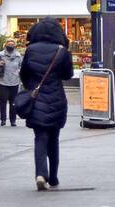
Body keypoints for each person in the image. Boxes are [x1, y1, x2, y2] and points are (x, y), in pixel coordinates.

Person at [20, 18, 74, 191]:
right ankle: (54, 176)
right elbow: (67, 75)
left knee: (40, 138)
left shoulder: (30, 50)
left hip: (36, 100)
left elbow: (24, 74)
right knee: (54, 139)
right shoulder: (62, 51)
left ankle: (40, 174)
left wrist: (31, 87)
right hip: (56, 99)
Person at [0, 38, 24, 126]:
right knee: (3, 101)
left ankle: (13, 120)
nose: (10, 46)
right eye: (9, 44)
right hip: (3, 81)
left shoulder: (18, 55)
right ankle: (3, 120)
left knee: (13, 102)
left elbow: (22, 65)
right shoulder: (1, 54)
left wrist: (19, 70)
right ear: (6, 45)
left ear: (15, 45)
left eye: (12, 44)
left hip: (15, 81)